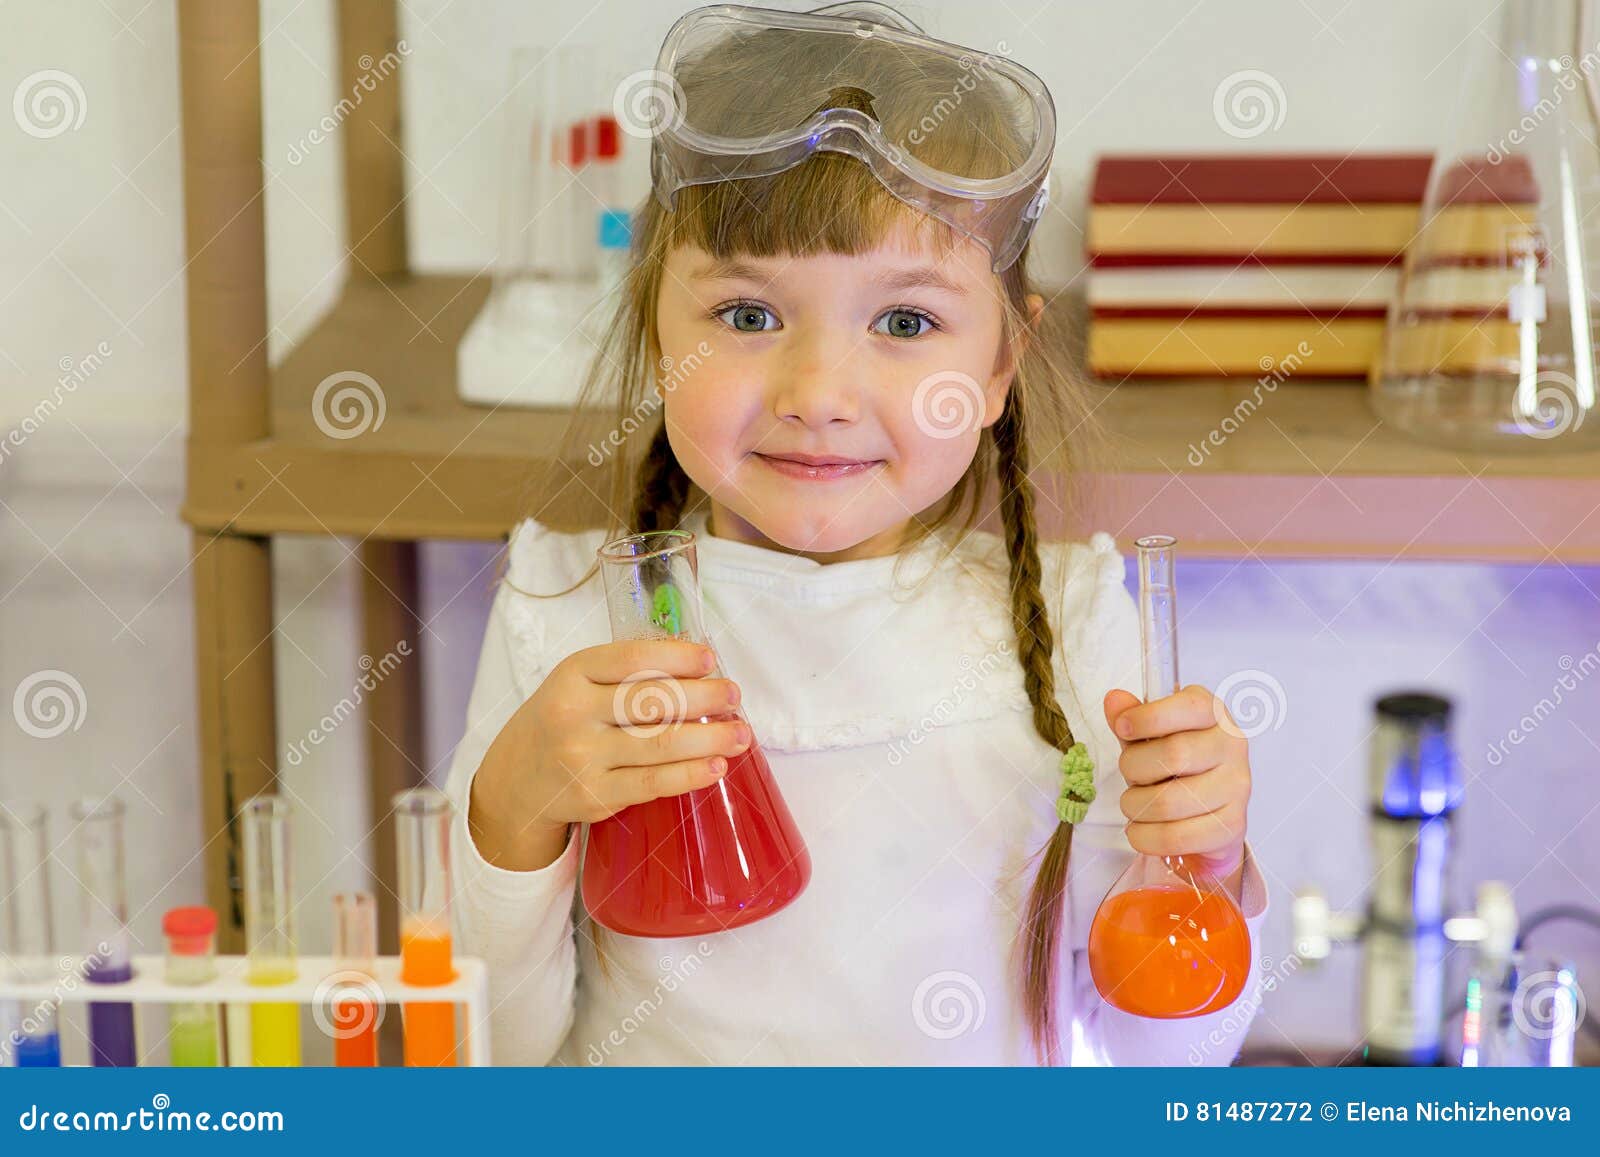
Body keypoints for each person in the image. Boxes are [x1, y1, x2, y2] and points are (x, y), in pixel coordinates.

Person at [443, 1, 1267, 1065]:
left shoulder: (1078, 634)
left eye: (905, 321)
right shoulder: (560, 617)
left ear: (999, 368)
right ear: (653, 332)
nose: (819, 394)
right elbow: (479, 1058)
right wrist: (511, 809)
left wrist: (1205, 866)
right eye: (748, 315)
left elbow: (1171, 1061)